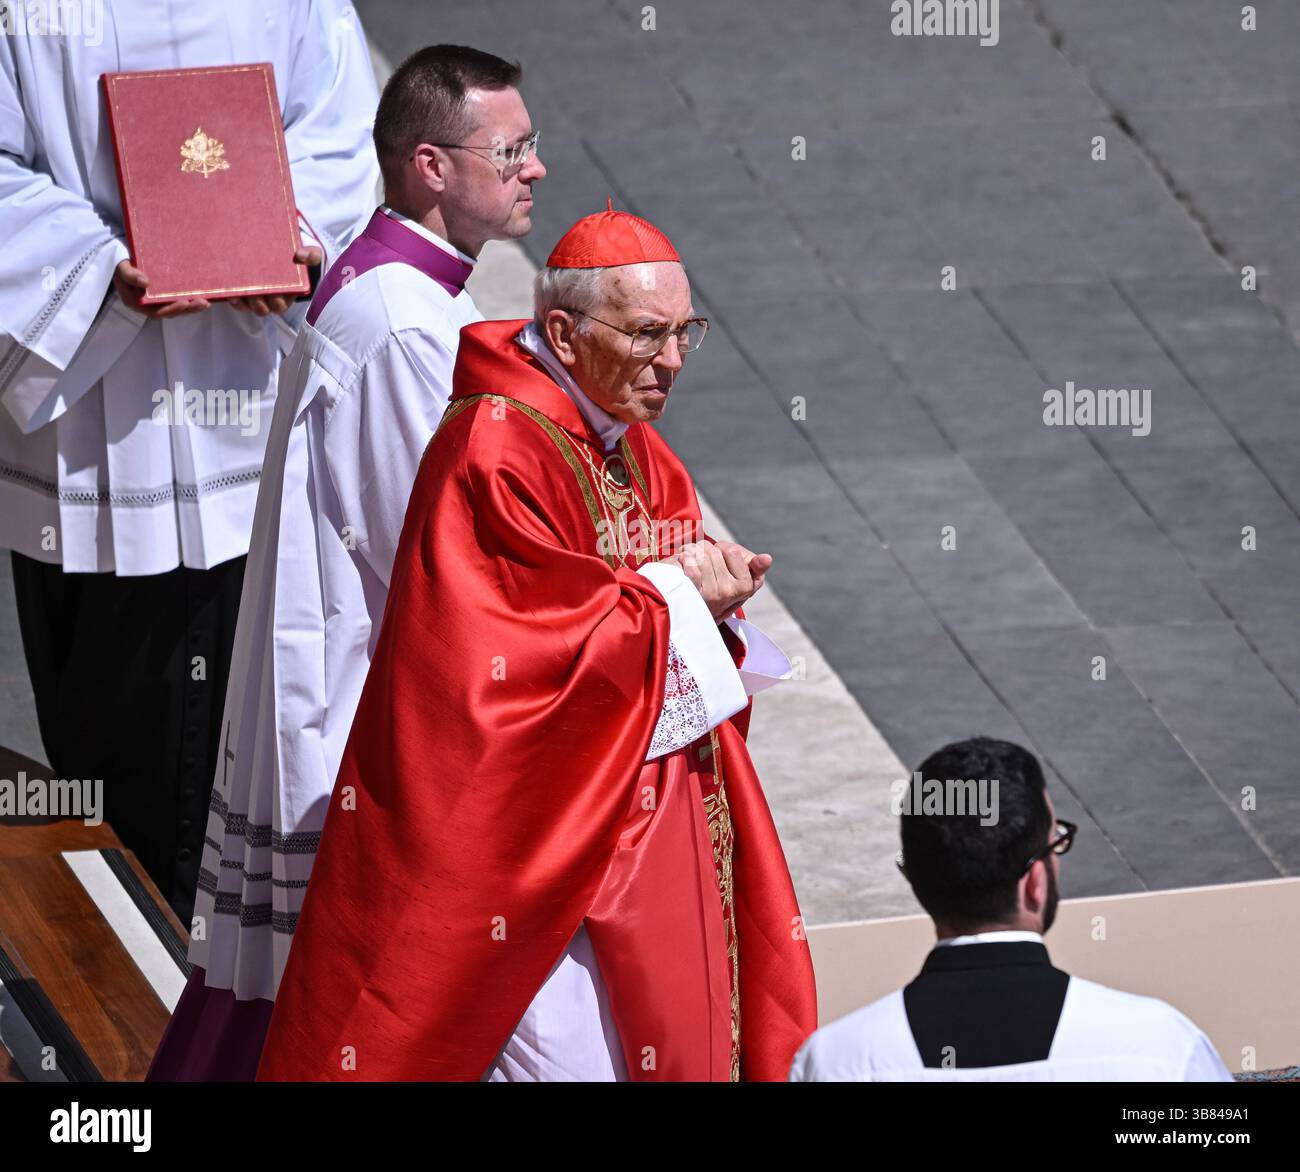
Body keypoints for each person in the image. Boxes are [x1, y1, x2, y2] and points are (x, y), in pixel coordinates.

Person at [256, 204, 817, 1082]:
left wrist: (717, 603)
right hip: (511, 837)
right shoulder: (495, 450)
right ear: (562, 329)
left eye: (685, 333)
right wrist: (680, 597)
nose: (671, 362)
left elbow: (640, 601)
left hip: (629, 813)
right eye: (645, 335)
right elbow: (515, 662)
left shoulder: (638, 450)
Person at [147, 45, 546, 1081]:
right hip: (366, 702)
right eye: (511, 150)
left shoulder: (395, 287)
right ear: (430, 165)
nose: (534, 169)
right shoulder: (403, 324)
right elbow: (430, 534)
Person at [0, 0, 380, 923]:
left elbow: (340, 128)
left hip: (250, 424)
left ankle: (204, 1003)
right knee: (106, 748)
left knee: (244, 758)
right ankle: (142, 991)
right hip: (96, 448)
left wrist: (300, 238)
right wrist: (96, 269)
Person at [790, 737, 1233, 1081]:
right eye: (1056, 841)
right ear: (1036, 883)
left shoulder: (833, 1063)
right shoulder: (1159, 1049)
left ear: (915, 883)